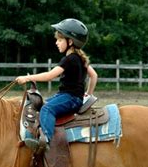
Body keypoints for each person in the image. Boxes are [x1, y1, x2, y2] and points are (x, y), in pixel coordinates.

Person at [16, 18, 98, 151]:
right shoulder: (81, 58)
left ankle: (46, 141)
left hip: (69, 98)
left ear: (70, 41)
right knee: (43, 105)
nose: (56, 43)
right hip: (72, 97)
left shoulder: (69, 59)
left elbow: (50, 75)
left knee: (46, 109)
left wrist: (27, 78)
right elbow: (94, 76)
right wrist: (88, 94)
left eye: (60, 40)